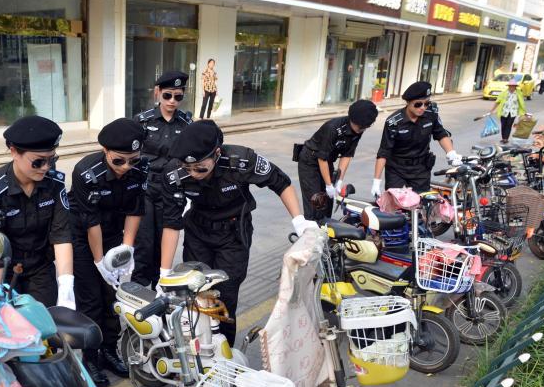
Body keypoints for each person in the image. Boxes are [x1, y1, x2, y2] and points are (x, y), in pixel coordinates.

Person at [159, 120, 317, 345]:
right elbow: (172, 223)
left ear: (217, 153)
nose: (193, 174)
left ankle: (225, 352)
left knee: (225, 296)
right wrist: (164, 273)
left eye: (200, 168)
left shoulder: (241, 161)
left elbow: (280, 183)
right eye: (188, 168)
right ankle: (199, 352)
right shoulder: (174, 173)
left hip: (233, 234)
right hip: (198, 233)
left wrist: (299, 220)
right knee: (195, 294)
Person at [69, 118, 149, 386]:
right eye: (120, 161)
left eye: (133, 161)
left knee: (114, 296)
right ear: (105, 152)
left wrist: (127, 248)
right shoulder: (85, 172)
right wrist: (100, 261)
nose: (127, 167)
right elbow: (90, 221)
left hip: (115, 234)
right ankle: (90, 358)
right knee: (91, 298)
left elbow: (135, 209)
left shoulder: (141, 169)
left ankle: (109, 350)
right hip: (83, 236)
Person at [0, 115, 75, 310]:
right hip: (4, 272)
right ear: (14, 152)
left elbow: (61, 237)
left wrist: (66, 287)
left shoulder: (54, 185)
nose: (46, 168)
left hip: (40, 267)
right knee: (7, 328)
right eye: (38, 162)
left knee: (47, 325)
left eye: (51, 160)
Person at [132, 71, 192, 289]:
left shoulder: (186, 123)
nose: (172, 102)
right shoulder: (142, 121)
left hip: (172, 189)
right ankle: (138, 293)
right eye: (168, 96)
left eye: (178, 97)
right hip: (146, 188)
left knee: (163, 244)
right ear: (157, 93)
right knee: (144, 243)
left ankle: (160, 291)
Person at [373, 81, 461, 195]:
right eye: (418, 104)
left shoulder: (431, 114)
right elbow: (384, 152)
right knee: (395, 206)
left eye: (426, 103)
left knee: (421, 206)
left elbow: (441, 134)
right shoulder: (394, 122)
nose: (423, 107)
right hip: (396, 169)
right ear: (408, 102)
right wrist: (376, 181)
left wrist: (451, 153)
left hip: (421, 169)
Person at [297, 99, 379, 220]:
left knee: (328, 202)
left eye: (365, 127)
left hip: (327, 161)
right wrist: (329, 185)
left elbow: (347, 155)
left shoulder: (358, 130)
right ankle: (311, 231)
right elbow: (321, 159)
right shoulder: (333, 128)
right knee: (315, 201)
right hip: (310, 160)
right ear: (352, 118)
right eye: (360, 127)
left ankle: (325, 229)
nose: (361, 130)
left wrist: (339, 181)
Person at [488, 78, 527, 144]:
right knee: (503, 125)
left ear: (515, 87)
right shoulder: (504, 93)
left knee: (509, 125)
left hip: (513, 113)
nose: (512, 87)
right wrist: (492, 110)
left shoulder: (519, 93)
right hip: (504, 112)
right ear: (508, 86)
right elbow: (497, 102)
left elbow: (522, 103)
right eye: (510, 86)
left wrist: (523, 112)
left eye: (513, 86)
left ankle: (506, 139)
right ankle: (503, 138)